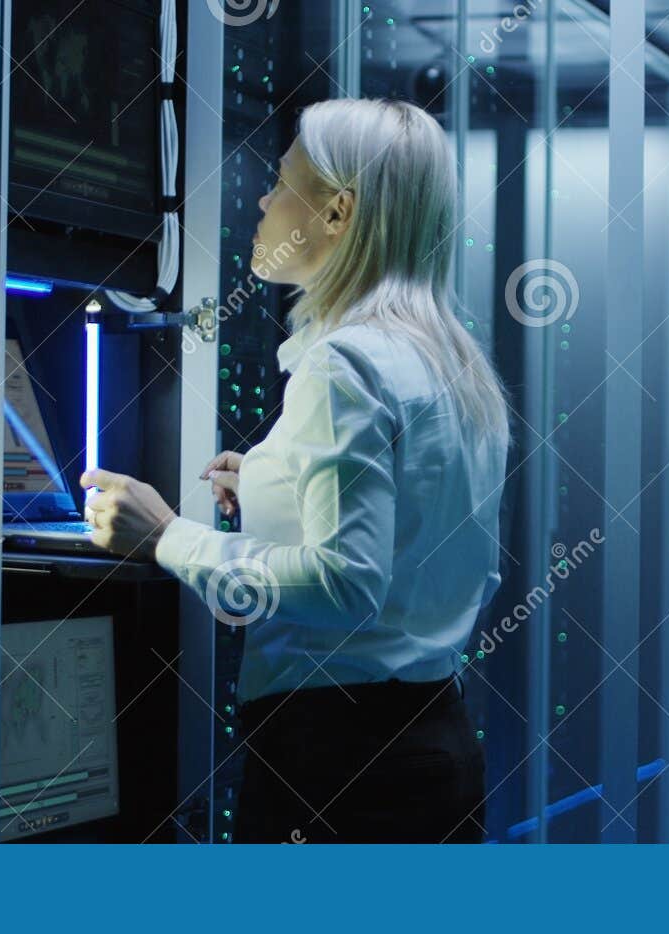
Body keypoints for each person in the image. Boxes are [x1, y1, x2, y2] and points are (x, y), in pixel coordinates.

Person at [79, 98, 511, 843]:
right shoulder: (449, 359)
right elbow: (446, 557)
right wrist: (280, 485)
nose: (262, 198)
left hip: (340, 768)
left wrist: (167, 536)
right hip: (432, 742)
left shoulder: (343, 364)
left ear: (338, 213)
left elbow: (347, 587)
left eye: (283, 181)